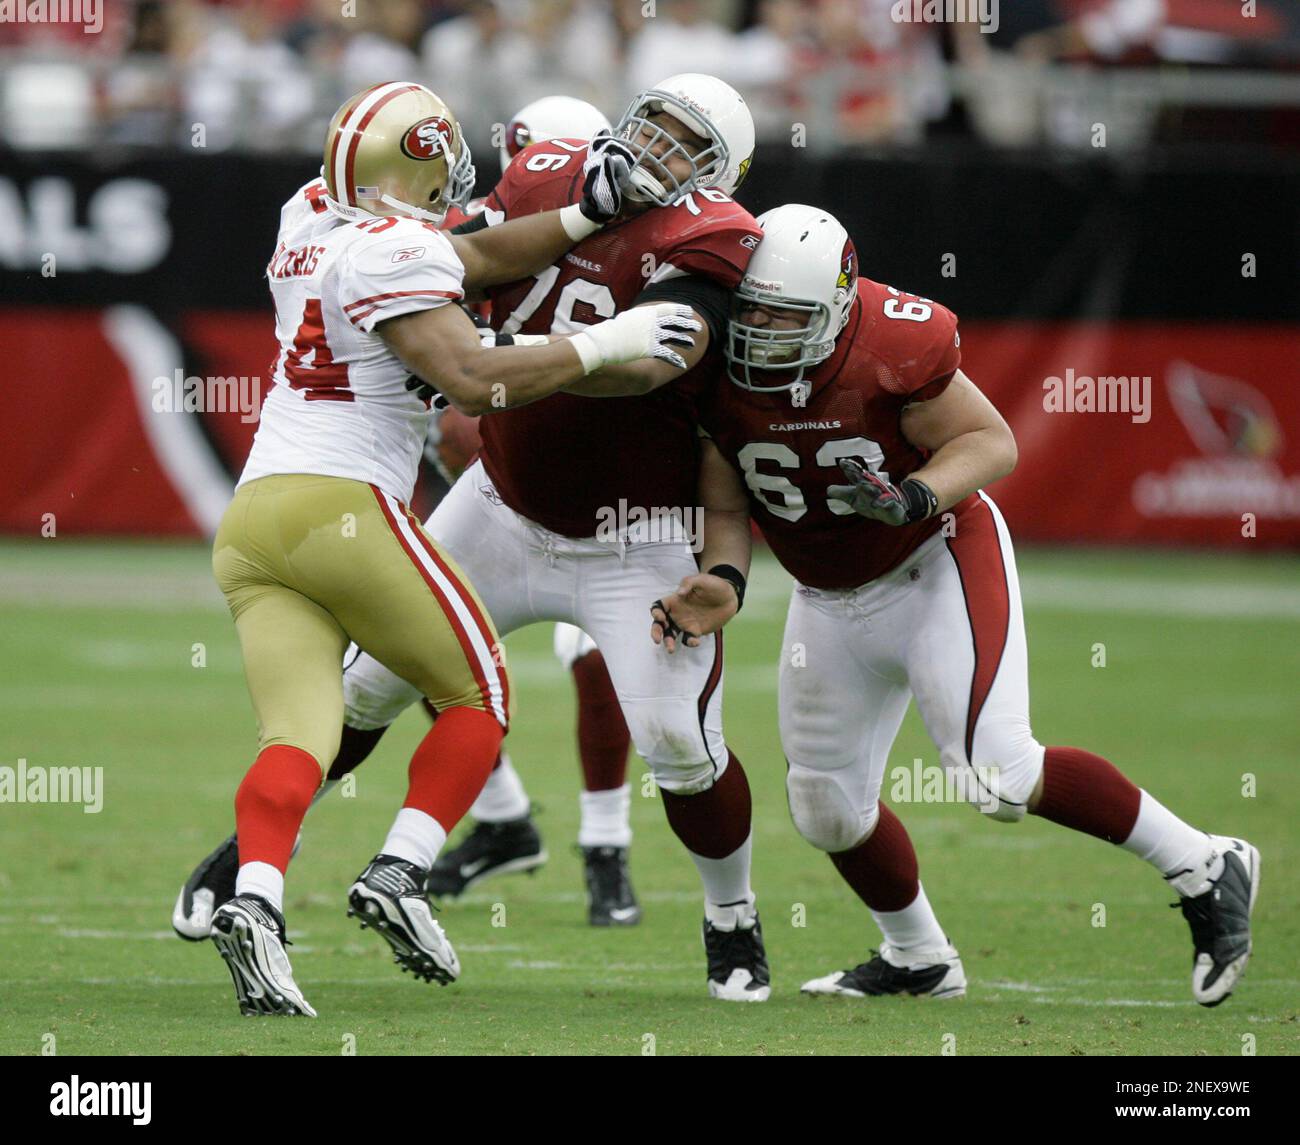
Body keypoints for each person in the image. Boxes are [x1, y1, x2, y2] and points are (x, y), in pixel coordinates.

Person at [651, 202, 1259, 1006]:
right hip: (826, 594)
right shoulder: (715, 360)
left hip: (933, 560)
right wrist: (725, 583)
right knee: (827, 808)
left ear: (836, 306)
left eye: (784, 316)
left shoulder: (891, 345)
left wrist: (912, 495)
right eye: (753, 309)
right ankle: (920, 956)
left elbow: (992, 440)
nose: (759, 329)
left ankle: (1205, 861)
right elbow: (727, 505)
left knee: (998, 775)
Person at [201, 79, 694, 1016]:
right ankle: (399, 871)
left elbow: (465, 252)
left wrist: (583, 212)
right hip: (343, 505)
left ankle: (256, 901)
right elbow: (471, 378)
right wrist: (602, 344)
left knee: (298, 735)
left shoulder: (306, 212)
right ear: (410, 170)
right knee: (479, 695)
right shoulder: (395, 248)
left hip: (255, 513)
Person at [301, 73, 774, 1001]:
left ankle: (733, 916)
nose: (661, 151)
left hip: (640, 533)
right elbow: (460, 259)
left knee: (680, 741)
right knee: (364, 684)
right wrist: (476, 331)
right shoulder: (552, 170)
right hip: (504, 503)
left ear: (722, 172)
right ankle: (258, 857)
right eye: (656, 127)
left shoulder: (718, 237)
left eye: (689, 144)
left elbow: (648, 364)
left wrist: (500, 369)